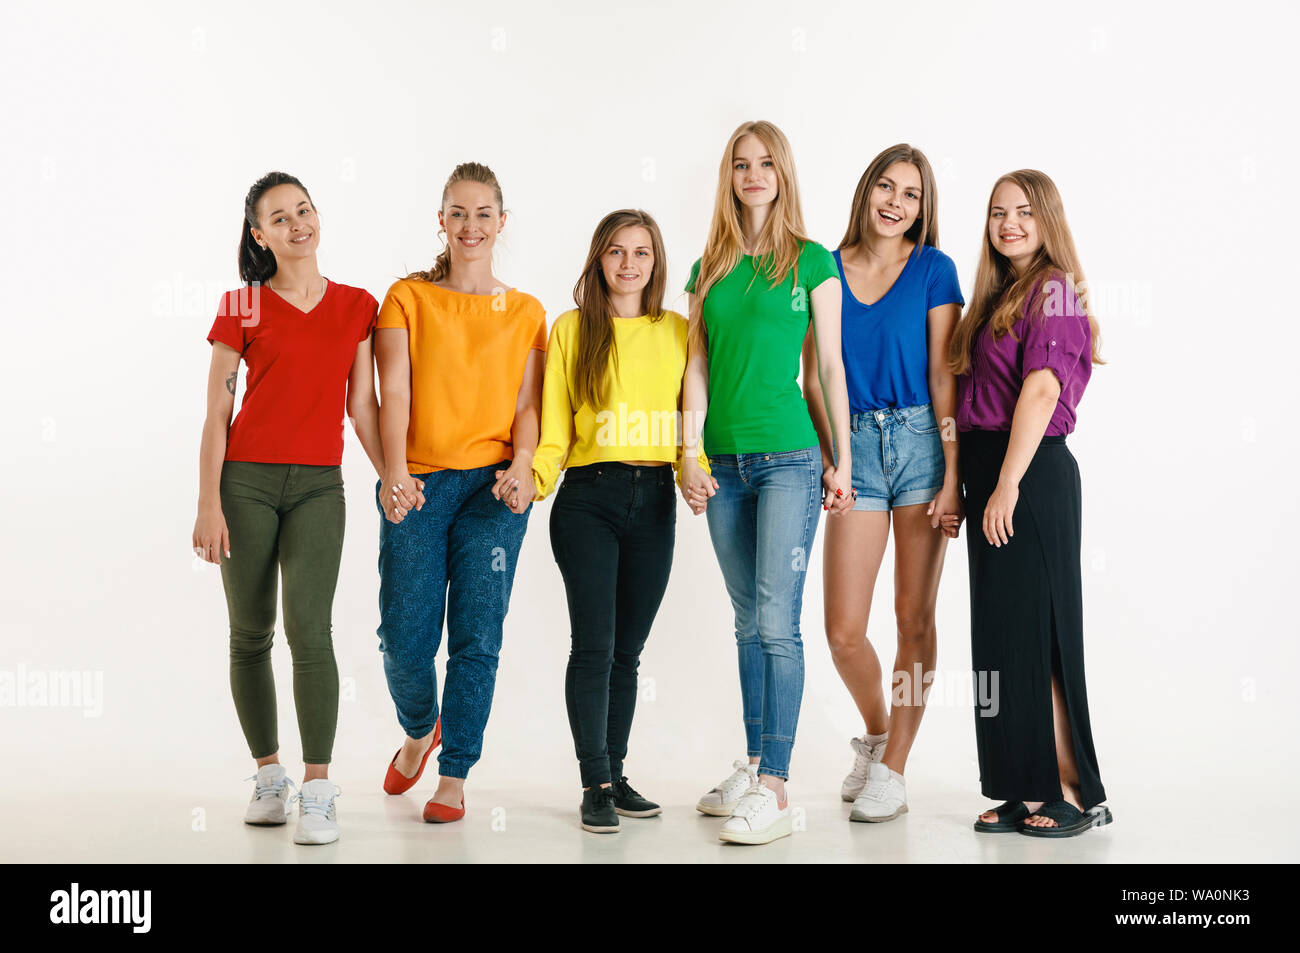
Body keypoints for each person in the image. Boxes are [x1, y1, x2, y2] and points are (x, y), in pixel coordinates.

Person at [194, 171, 384, 845]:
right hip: (243, 484)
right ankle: (269, 774)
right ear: (259, 235)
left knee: (312, 630)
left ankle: (320, 787)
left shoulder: (359, 305)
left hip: (317, 488)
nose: (297, 223)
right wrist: (207, 503)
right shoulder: (241, 305)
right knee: (250, 632)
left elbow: (363, 406)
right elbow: (218, 409)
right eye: (279, 217)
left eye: (303, 209)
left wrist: (392, 471)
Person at [680, 120, 854, 845]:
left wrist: (842, 459)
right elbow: (695, 369)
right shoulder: (708, 268)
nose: (753, 175)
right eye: (741, 165)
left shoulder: (811, 263)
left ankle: (777, 787)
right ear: (729, 177)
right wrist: (685, 453)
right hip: (723, 464)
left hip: (788, 458)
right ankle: (754, 765)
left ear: (783, 174)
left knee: (778, 620)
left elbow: (828, 369)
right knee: (748, 619)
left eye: (765, 164)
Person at [373, 161, 545, 824]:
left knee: (477, 631)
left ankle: (454, 772)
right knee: (403, 635)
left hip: (493, 487)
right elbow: (396, 395)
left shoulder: (527, 312)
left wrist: (524, 465)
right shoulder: (406, 300)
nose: (470, 225)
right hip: (417, 480)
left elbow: (528, 406)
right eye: (458, 212)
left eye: (483, 214)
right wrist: (394, 473)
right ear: (440, 221)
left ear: (502, 223)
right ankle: (422, 726)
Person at [533, 209, 709, 833]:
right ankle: (595, 783)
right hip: (588, 497)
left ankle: (617, 770)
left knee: (628, 654)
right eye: (615, 252)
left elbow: (693, 410)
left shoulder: (680, 330)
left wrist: (697, 466)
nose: (628, 263)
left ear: (657, 262)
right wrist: (533, 477)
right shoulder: (573, 329)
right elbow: (555, 424)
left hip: (656, 497)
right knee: (595, 645)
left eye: (641, 252)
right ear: (598, 260)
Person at [949, 169, 1112, 837]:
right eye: (997, 212)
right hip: (991, 467)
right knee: (1001, 641)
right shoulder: (996, 298)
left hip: (1030, 473)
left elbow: (1040, 393)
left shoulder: (1055, 292)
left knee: (1042, 636)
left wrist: (1007, 483)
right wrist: (971, 482)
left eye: (1023, 211)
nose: (1009, 222)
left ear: (1048, 219)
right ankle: (1023, 785)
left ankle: (1072, 788)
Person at [803, 145, 964, 822]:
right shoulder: (824, 268)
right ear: (865, 190)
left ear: (923, 209)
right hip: (855, 447)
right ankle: (877, 734)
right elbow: (813, 376)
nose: (896, 203)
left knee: (912, 617)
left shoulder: (933, 269)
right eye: (886, 187)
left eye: (912, 195)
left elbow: (943, 377)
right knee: (843, 628)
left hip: (923, 441)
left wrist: (954, 473)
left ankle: (894, 767)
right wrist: (830, 455)